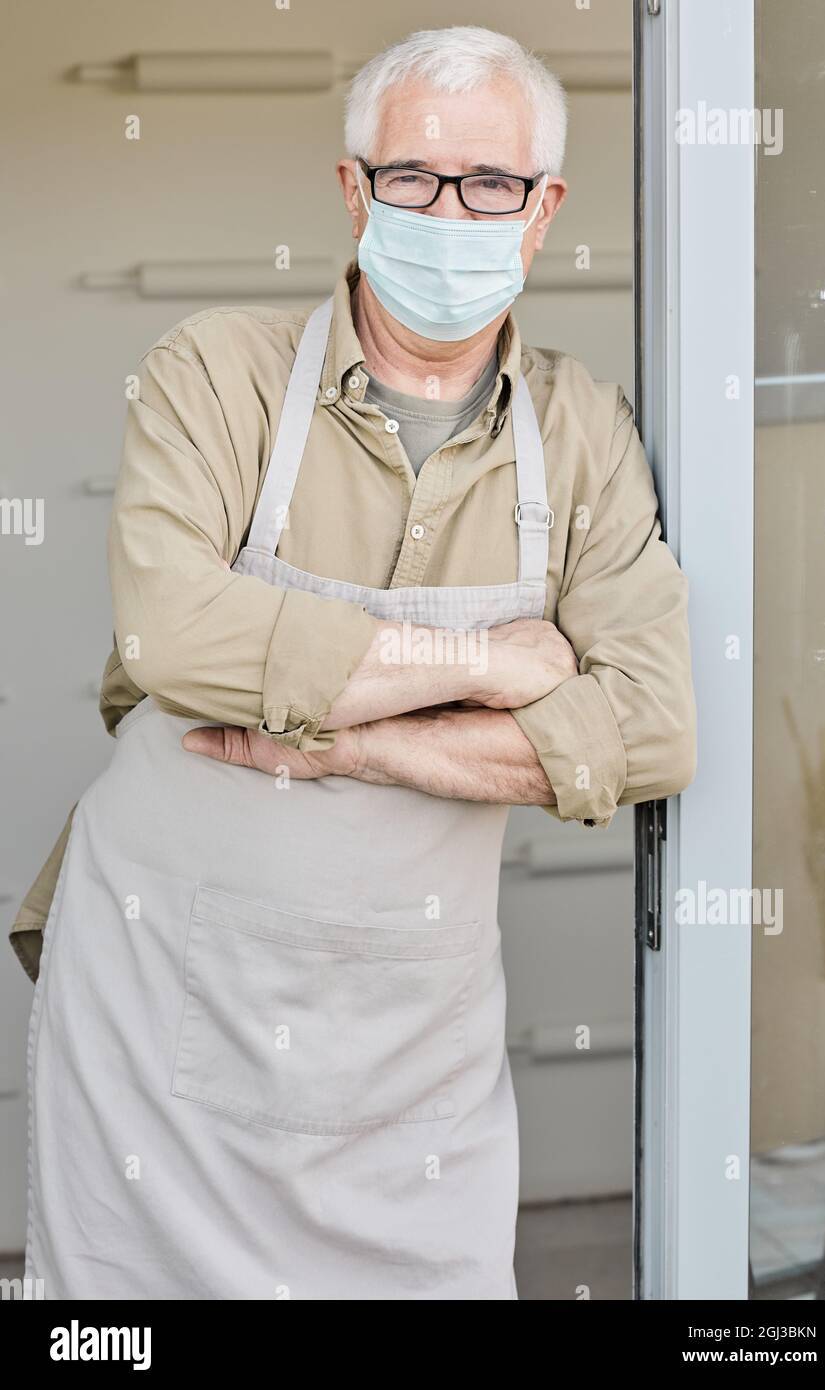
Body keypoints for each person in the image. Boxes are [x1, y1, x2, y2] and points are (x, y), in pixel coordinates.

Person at [15, 25, 696, 1300]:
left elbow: (653, 728)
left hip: (411, 1043)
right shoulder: (213, 374)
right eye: (414, 178)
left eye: (490, 183)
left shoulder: (584, 432)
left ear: (542, 211)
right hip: (159, 1005)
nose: (452, 212)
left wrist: (363, 738)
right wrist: (491, 665)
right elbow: (173, 635)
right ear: (352, 189)